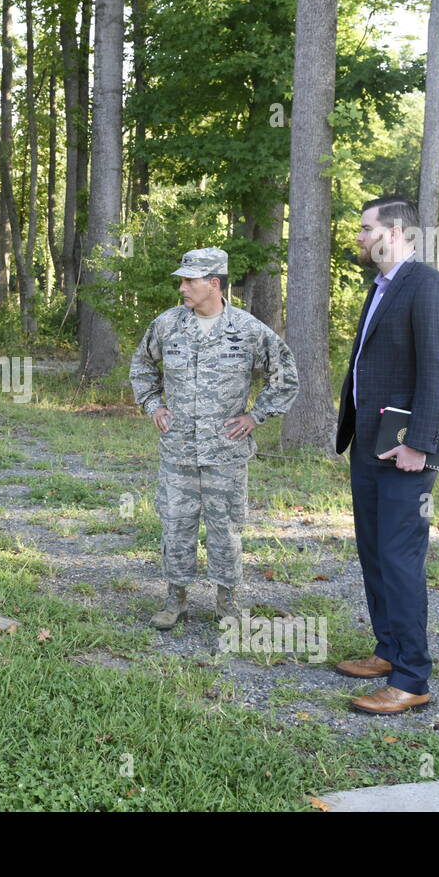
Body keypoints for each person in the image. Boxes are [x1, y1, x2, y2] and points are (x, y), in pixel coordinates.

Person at [130, 248, 299, 629]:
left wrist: (256, 415)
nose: (182, 287)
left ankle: (228, 602)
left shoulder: (247, 329)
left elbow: (286, 375)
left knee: (226, 528)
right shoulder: (168, 325)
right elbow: (141, 365)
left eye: (190, 280)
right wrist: (153, 404)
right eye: (183, 280)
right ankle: (175, 600)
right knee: (176, 525)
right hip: (178, 452)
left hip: (226, 451)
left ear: (214, 284)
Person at [336, 196, 439, 715]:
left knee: (400, 558)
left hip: (405, 450)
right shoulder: (382, 286)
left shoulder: (427, 287)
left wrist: (419, 444)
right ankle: (387, 652)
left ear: (397, 230)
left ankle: (412, 678)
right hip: (370, 445)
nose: (359, 237)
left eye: (366, 229)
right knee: (373, 552)